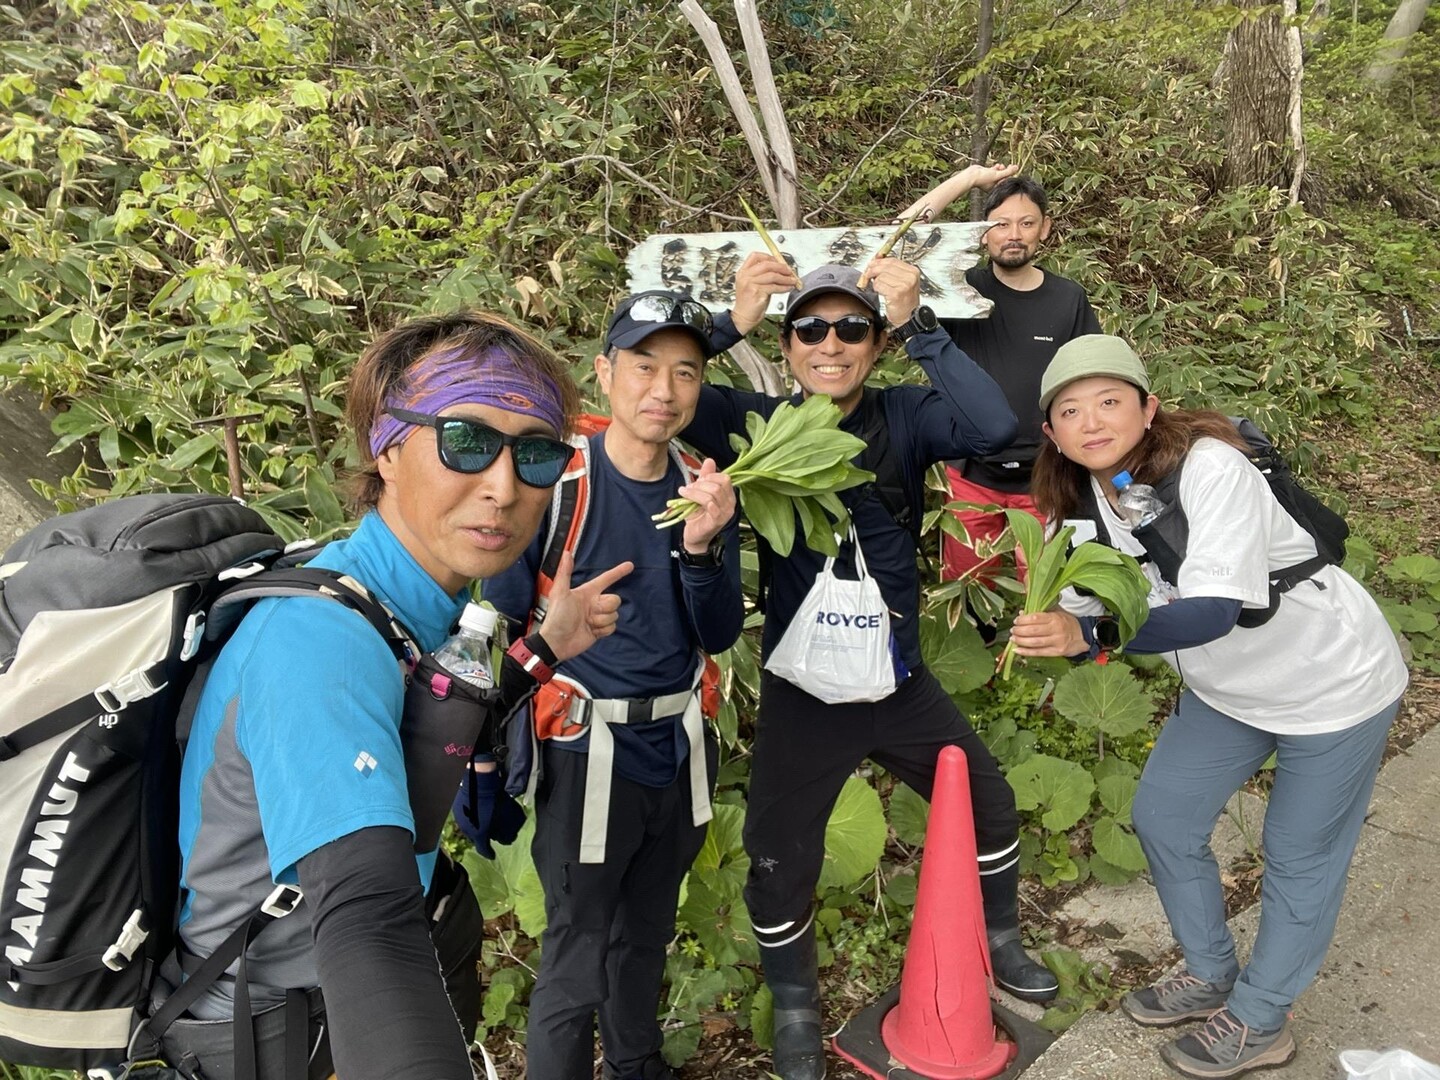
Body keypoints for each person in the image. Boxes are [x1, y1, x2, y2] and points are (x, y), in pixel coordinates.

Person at [156, 312, 633, 1080]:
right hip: (274, 1031)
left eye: (537, 454)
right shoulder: (321, 641)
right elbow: (364, 918)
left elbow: (428, 721)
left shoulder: (392, 602)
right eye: (466, 440)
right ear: (387, 445)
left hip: (316, 1015)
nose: (504, 487)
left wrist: (544, 649)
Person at [685, 252, 1056, 1080]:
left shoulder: (906, 415)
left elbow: (998, 431)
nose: (830, 342)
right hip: (804, 692)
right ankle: (794, 1008)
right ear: (787, 345)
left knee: (988, 803)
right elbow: (667, 399)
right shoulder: (757, 422)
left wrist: (924, 327)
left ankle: (1000, 943)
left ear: (875, 343)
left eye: (852, 327)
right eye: (810, 328)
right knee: (780, 857)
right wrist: (725, 324)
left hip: (899, 682)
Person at [1010, 335, 1408, 1079]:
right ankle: (1210, 973)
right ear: (1051, 431)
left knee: (1298, 857)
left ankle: (1261, 1020)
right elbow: (1085, 610)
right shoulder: (1073, 503)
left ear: (1148, 407)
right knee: (1164, 816)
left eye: (1110, 401)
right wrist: (1052, 628)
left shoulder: (1211, 468)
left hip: (1332, 684)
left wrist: (1089, 632)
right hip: (1229, 690)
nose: (1092, 421)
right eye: (1070, 409)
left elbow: (1213, 610)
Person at [482, 292, 744, 1080]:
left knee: (648, 927)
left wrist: (701, 549)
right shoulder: (557, 482)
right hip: (585, 743)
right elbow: (501, 610)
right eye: (643, 366)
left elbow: (721, 632)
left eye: (685, 372)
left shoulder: (705, 488)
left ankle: (637, 1062)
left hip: (677, 737)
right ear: (604, 374)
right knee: (577, 939)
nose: (663, 390)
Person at [898, 167, 1101, 584]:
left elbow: (1092, 380)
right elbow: (898, 243)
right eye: (1000, 224)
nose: (1013, 234)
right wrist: (969, 178)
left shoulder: (1068, 298)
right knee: (969, 592)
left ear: (1044, 229)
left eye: (1026, 223)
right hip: (970, 476)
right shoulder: (957, 290)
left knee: (1047, 595)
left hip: (1047, 477)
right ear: (982, 233)